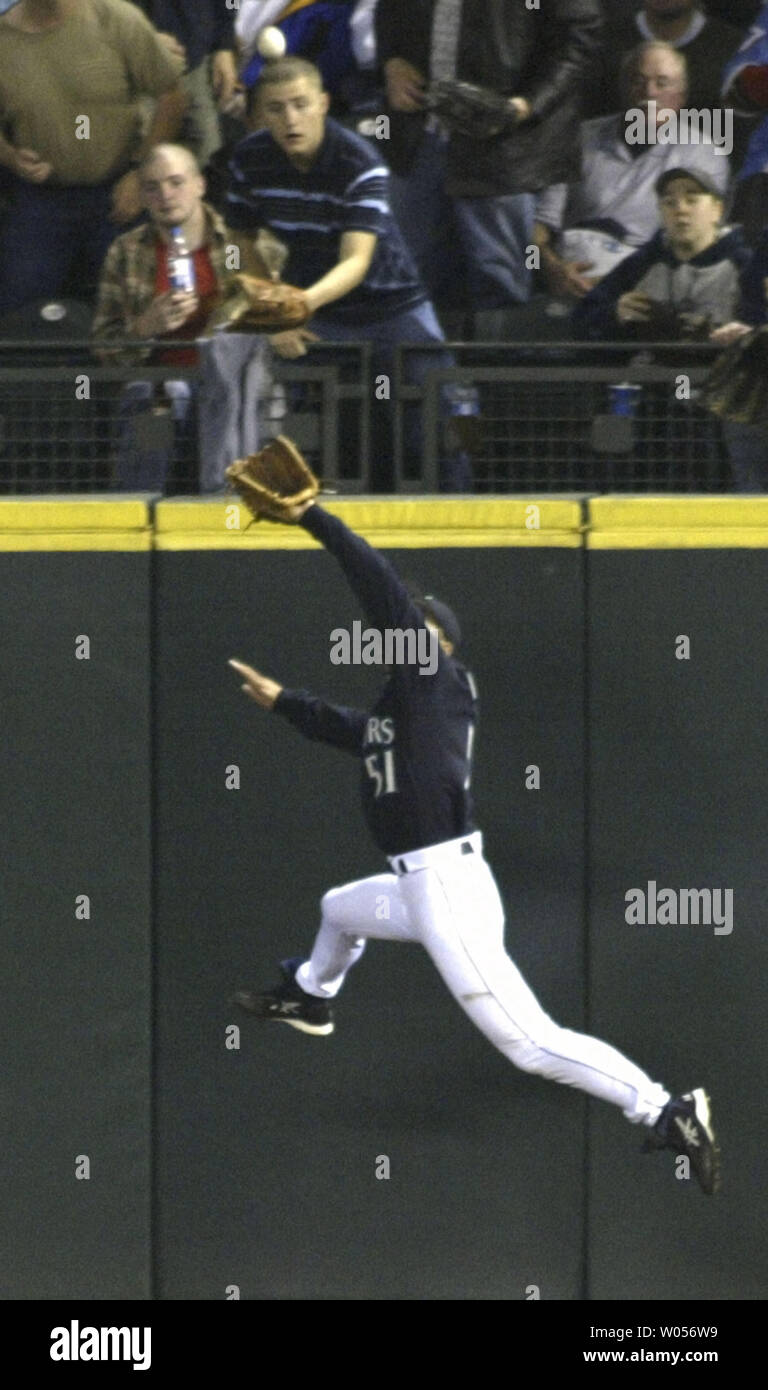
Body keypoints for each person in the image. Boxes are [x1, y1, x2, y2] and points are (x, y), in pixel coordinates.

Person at [227, 486, 720, 1197]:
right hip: (423, 883)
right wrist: (283, 703)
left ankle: (668, 1109)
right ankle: (311, 995)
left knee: (528, 1043)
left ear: (439, 642)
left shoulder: (434, 675)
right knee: (338, 908)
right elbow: (350, 731)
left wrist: (314, 519)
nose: (402, 630)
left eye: (417, 625)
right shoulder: (406, 708)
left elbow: (379, 588)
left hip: (446, 889)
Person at [224, 55, 475, 491]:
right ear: (259, 115)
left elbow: (355, 263)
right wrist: (271, 309)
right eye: (276, 109)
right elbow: (239, 242)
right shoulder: (249, 160)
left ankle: (470, 517)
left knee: (441, 420)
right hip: (318, 309)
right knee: (294, 415)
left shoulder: (359, 161)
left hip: (391, 305)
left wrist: (293, 308)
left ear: (323, 103)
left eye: (301, 104)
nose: (290, 119)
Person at [374, 0, 604, 328]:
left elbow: (580, 35)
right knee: (411, 276)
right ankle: (427, 376)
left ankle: (494, 376)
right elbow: (389, 11)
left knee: (500, 280)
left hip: (502, 146)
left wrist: (528, 105)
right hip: (418, 137)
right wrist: (391, 62)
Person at [92, 143, 272, 492]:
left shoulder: (236, 244)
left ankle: (222, 515)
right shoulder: (126, 252)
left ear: (200, 185)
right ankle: (138, 512)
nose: (165, 195)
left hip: (227, 380)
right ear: (142, 197)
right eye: (152, 187)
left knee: (226, 394)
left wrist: (227, 309)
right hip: (160, 381)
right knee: (155, 399)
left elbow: (270, 310)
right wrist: (144, 328)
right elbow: (103, 348)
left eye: (176, 182)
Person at [0, 0, 187, 316]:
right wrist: (11, 157)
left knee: (140, 307)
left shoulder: (117, 19)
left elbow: (173, 94)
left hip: (118, 193)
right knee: (16, 312)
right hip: (40, 200)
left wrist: (142, 172)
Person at [534, 42, 732, 306]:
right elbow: (539, 226)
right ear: (623, 89)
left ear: (682, 96)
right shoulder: (575, 140)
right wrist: (550, 267)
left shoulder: (705, 156)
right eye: (638, 81)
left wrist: (617, 281)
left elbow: (699, 243)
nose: (649, 93)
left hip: (647, 283)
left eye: (663, 83)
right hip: (567, 274)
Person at [573, 167, 750, 340]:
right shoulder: (642, 262)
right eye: (669, 203)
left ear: (717, 210)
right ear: (661, 213)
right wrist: (614, 314)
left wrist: (748, 335)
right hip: (650, 367)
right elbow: (581, 319)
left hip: (719, 366)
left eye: (692, 200)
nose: (680, 210)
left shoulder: (745, 263)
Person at [126, 1, 241, 165]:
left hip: (196, 61)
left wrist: (225, 45)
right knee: (140, 155)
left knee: (210, 153)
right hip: (136, 68)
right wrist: (142, 38)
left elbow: (232, 3)